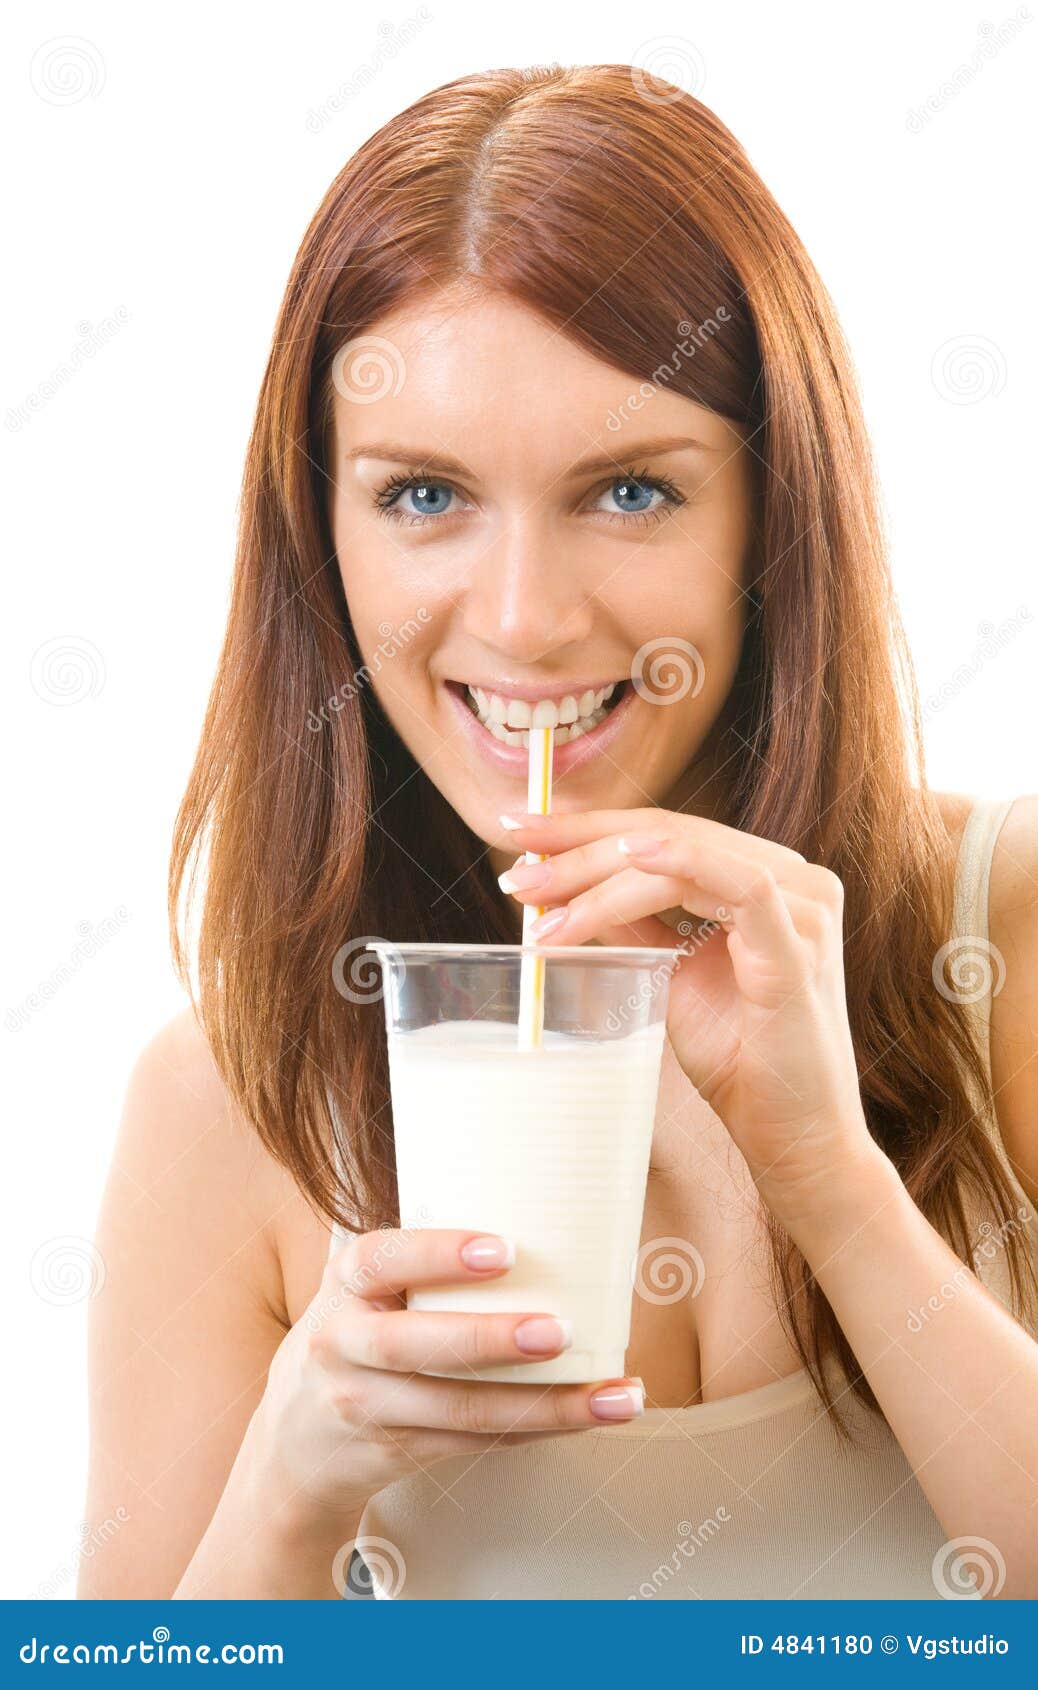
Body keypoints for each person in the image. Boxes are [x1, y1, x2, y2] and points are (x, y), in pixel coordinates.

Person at [80, 64, 1038, 1601]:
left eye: (632, 489)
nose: (523, 618)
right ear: (317, 530)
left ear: (771, 517)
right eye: (424, 496)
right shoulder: (231, 1099)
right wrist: (291, 1478)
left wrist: (833, 1180)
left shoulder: (1007, 932)